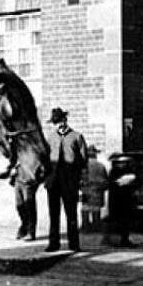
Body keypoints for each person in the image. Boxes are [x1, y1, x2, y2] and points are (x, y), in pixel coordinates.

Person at [45, 107, 88, 252]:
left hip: (70, 182)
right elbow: (45, 158)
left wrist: (81, 179)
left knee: (71, 213)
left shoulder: (77, 136)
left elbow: (83, 160)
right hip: (53, 182)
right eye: (55, 123)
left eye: (59, 121)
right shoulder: (50, 137)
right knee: (53, 214)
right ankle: (53, 243)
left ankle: (74, 244)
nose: (58, 125)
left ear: (65, 120)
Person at [102, 153, 137, 247]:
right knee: (121, 221)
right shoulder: (116, 172)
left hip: (122, 201)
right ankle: (121, 240)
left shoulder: (117, 171)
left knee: (124, 221)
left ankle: (123, 239)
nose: (123, 164)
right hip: (119, 201)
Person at [80, 144, 109, 231]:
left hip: (86, 190)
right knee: (96, 208)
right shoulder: (101, 166)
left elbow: (78, 179)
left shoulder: (83, 166)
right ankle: (96, 225)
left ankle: (85, 225)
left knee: (85, 207)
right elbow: (106, 180)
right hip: (98, 190)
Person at [10, 164, 38, 241]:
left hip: (29, 179)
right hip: (18, 178)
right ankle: (24, 226)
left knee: (29, 205)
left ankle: (31, 232)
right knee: (19, 205)